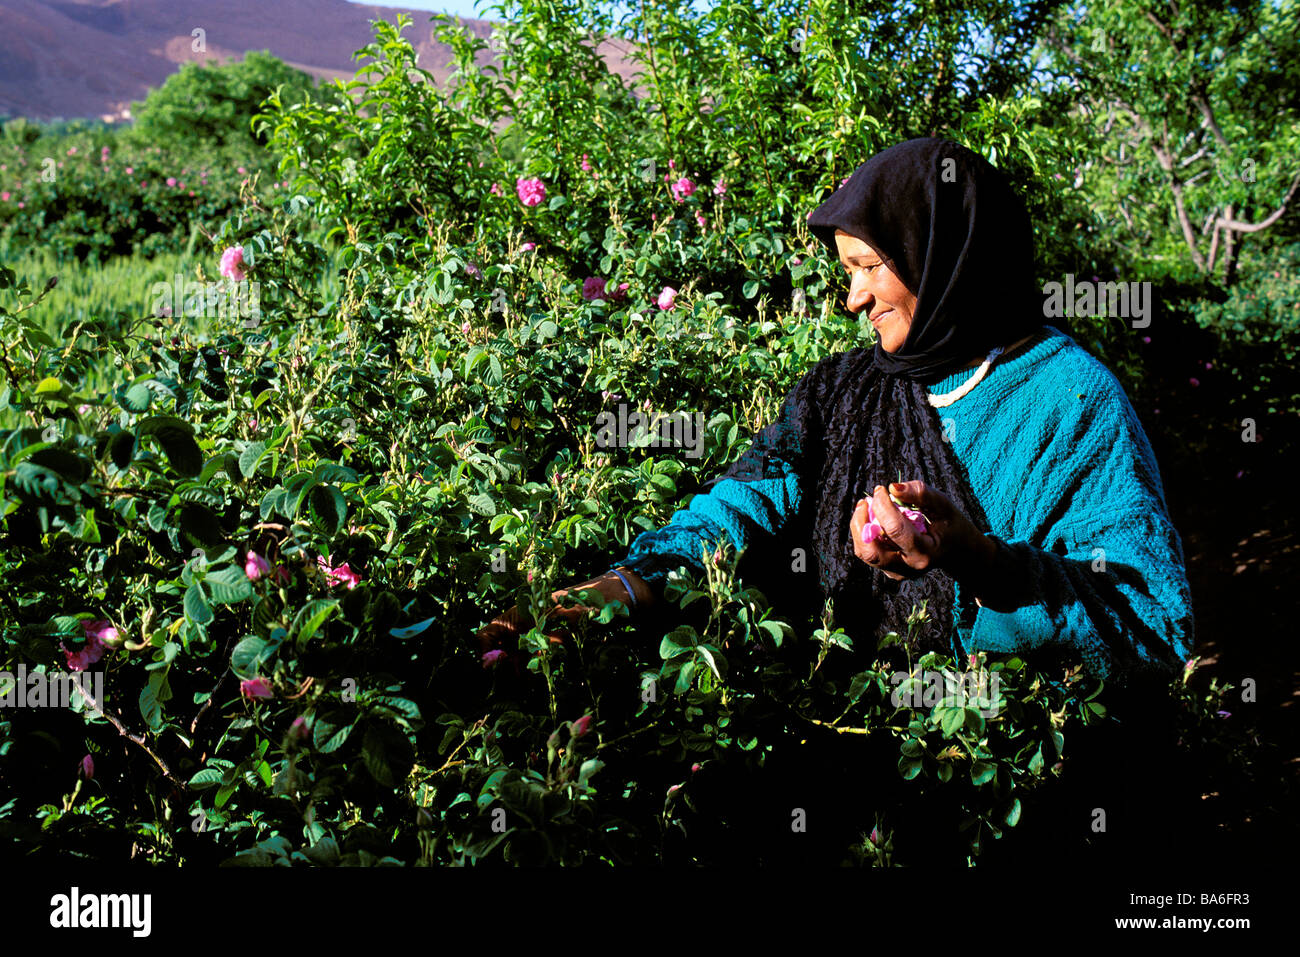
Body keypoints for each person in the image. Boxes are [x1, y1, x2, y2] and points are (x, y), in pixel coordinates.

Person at [479, 137, 1194, 688]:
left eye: (870, 266)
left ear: (943, 252)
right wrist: (629, 585)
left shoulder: (1070, 399)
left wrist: (978, 560)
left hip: (1014, 773)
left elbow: (1153, 625)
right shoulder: (842, 393)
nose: (853, 298)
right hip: (863, 756)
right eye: (847, 271)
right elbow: (745, 503)